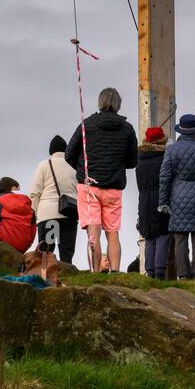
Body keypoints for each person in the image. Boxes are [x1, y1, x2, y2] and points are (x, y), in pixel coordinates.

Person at [65, 87, 138, 273]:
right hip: (114, 187)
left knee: (93, 234)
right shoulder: (127, 129)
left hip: (89, 186)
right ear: (118, 104)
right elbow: (132, 161)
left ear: (100, 102)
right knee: (112, 233)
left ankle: (95, 272)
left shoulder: (87, 125)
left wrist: (82, 171)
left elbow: (69, 154)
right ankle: (114, 271)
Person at [159, 113, 195, 279]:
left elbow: (165, 177)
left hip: (178, 197)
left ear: (180, 130)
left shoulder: (171, 150)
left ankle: (183, 275)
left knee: (180, 237)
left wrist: (163, 201)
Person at [28, 135, 79, 268]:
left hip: (49, 216)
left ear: (51, 151)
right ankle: (68, 275)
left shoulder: (45, 165)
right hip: (70, 214)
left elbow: (35, 192)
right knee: (66, 251)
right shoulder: (75, 166)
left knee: (47, 250)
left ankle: (46, 274)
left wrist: (33, 212)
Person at [131, 127, 168, 276]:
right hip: (161, 197)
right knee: (163, 234)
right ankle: (159, 271)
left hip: (144, 200)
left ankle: (149, 270)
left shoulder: (139, 158)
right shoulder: (165, 157)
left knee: (149, 236)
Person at [0, 177, 35, 256]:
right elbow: (33, 230)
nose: (20, 190)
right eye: (18, 187)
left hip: (3, 242)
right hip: (22, 246)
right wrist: (27, 245)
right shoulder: (29, 207)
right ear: (13, 188)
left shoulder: (0, 203)